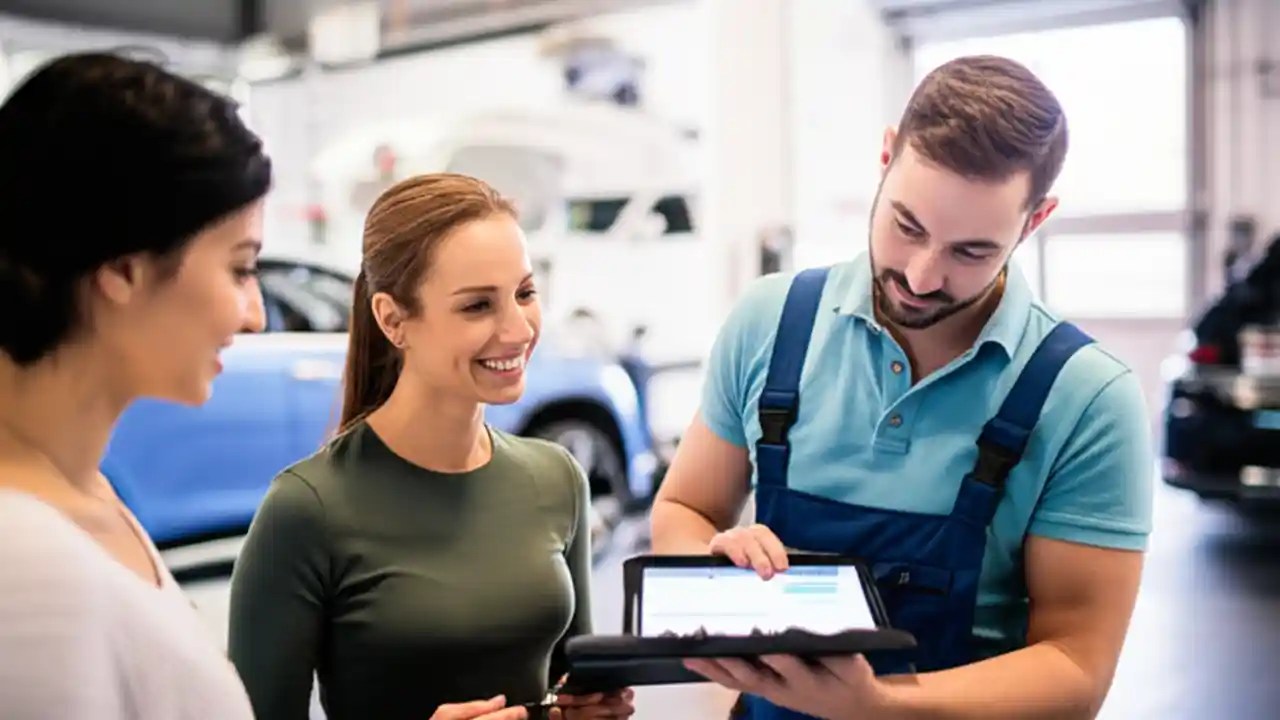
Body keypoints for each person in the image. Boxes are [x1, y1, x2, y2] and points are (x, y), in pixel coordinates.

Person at [650, 55, 1153, 719]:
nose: (920, 276)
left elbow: (1075, 667)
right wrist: (715, 563)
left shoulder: (1089, 399)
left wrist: (879, 704)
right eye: (906, 226)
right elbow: (684, 507)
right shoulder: (769, 324)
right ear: (887, 156)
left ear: (1034, 220)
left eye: (970, 251)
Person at [227, 173, 637, 720]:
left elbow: (568, 686)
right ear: (393, 319)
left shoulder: (556, 478)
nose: (518, 330)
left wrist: (587, 712)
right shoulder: (306, 509)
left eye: (524, 293)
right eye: (477, 307)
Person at [0, 52, 271, 719]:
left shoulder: (75, 492)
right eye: (239, 269)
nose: (255, 313)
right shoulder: (24, 564)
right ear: (123, 268)